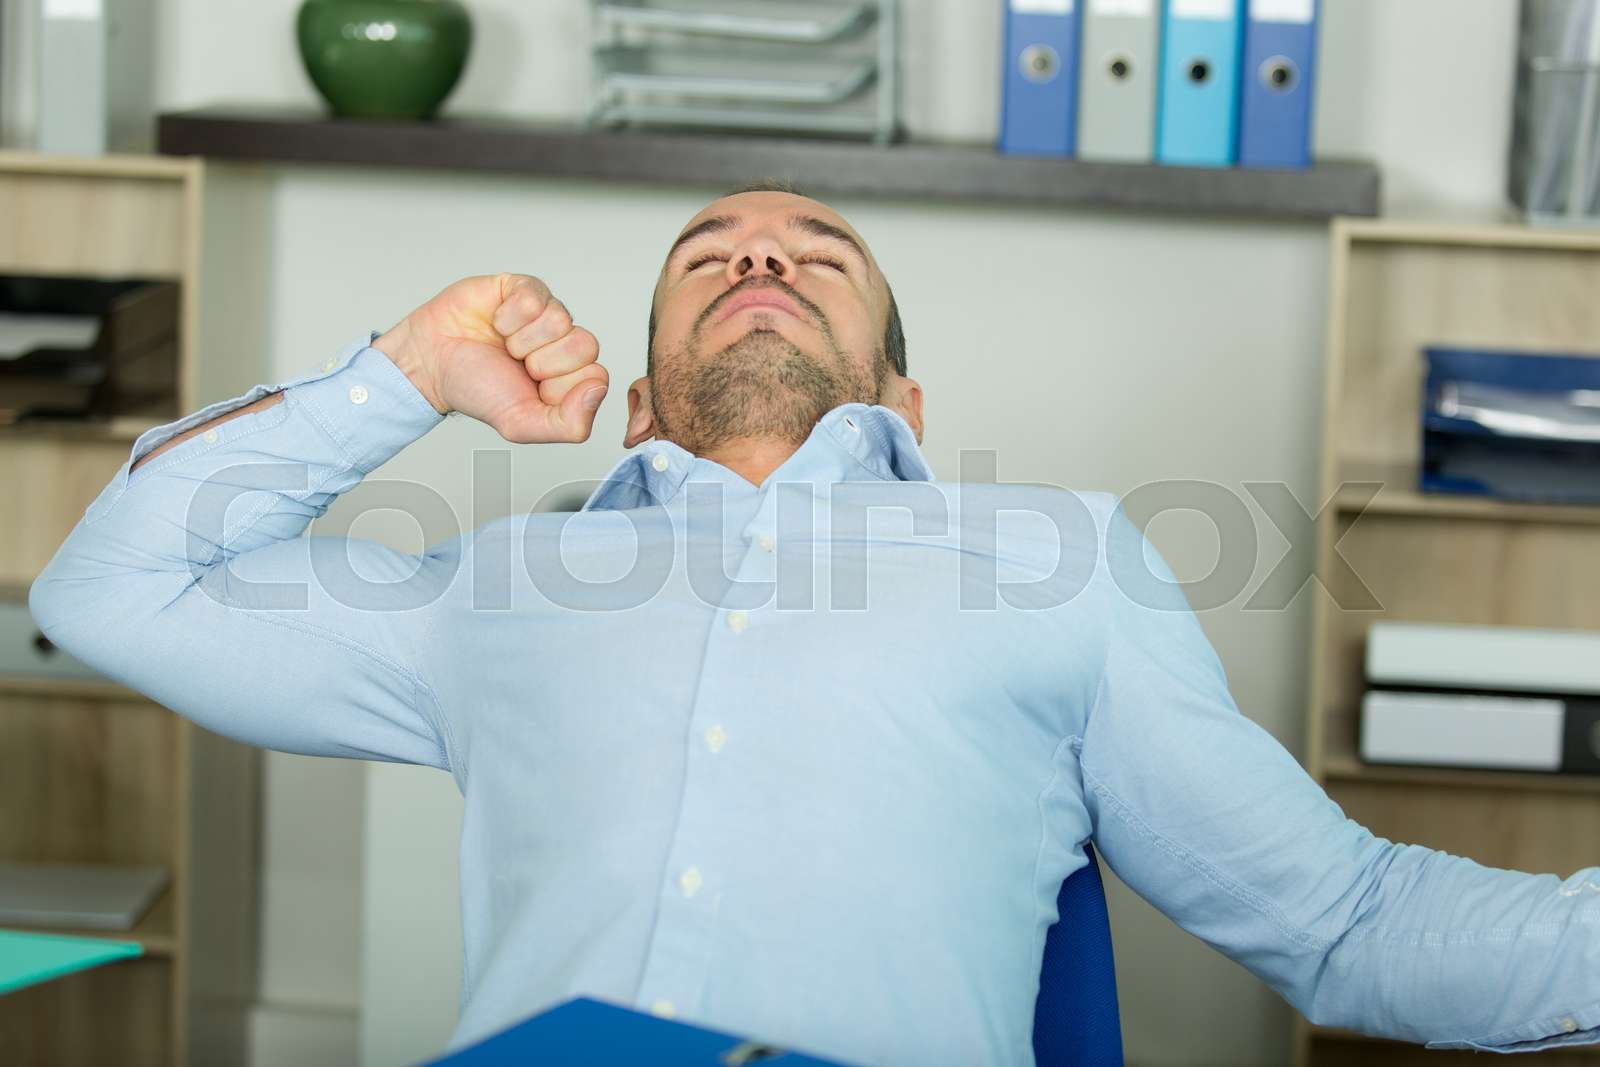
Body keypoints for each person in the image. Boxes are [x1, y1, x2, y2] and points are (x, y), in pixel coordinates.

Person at [29, 182, 1600, 1066]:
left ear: (904, 401)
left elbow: (1347, 923)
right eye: (709, 258)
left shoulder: (1060, 557)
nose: (762, 255)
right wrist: (409, 371)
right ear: (640, 405)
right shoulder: (494, 584)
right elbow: (113, 591)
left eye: (817, 256)